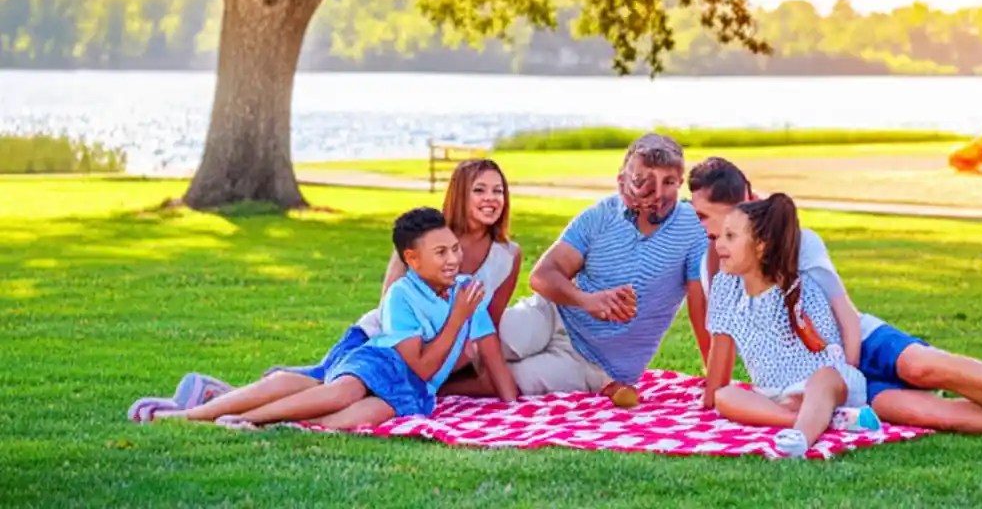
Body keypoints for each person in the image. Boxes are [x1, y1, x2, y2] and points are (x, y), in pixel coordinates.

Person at [687, 157, 982, 452]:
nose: (706, 228)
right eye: (704, 217)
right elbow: (725, 362)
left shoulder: (798, 242)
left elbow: (844, 314)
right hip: (817, 382)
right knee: (934, 415)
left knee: (928, 368)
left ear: (743, 210)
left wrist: (846, 374)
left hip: (855, 344)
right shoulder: (720, 270)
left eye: (711, 217)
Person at [128, 159, 520, 423]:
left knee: (326, 391)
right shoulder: (422, 236)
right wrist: (446, 335)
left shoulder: (505, 256)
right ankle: (218, 402)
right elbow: (391, 309)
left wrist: (504, 399)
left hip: (427, 361)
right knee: (327, 387)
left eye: (497, 191)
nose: (491, 200)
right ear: (459, 194)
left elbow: (487, 326)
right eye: (480, 191)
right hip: (383, 341)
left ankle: (225, 397)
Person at [483, 133, 709, 406]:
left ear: (680, 183)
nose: (658, 194)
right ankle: (418, 372)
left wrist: (714, 383)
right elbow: (542, 275)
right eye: (642, 181)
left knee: (503, 379)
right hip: (552, 315)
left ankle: (427, 388)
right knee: (481, 343)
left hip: (594, 365)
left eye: (669, 182)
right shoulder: (599, 216)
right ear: (622, 180)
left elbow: (702, 308)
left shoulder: (692, 228)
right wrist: (587, 301)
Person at [703, 193, 883, 458]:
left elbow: (830, 351)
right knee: (725, 396)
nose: (719, 244)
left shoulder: (796, 288)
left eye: (731, 237)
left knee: (824, 378)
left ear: (761, 246)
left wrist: (808, 390)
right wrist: (710, 397)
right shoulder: (725, 287)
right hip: (772, 395)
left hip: (822, 382)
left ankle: (800, 439)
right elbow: (720, 346)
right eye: (720, 236)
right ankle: (818, 420)